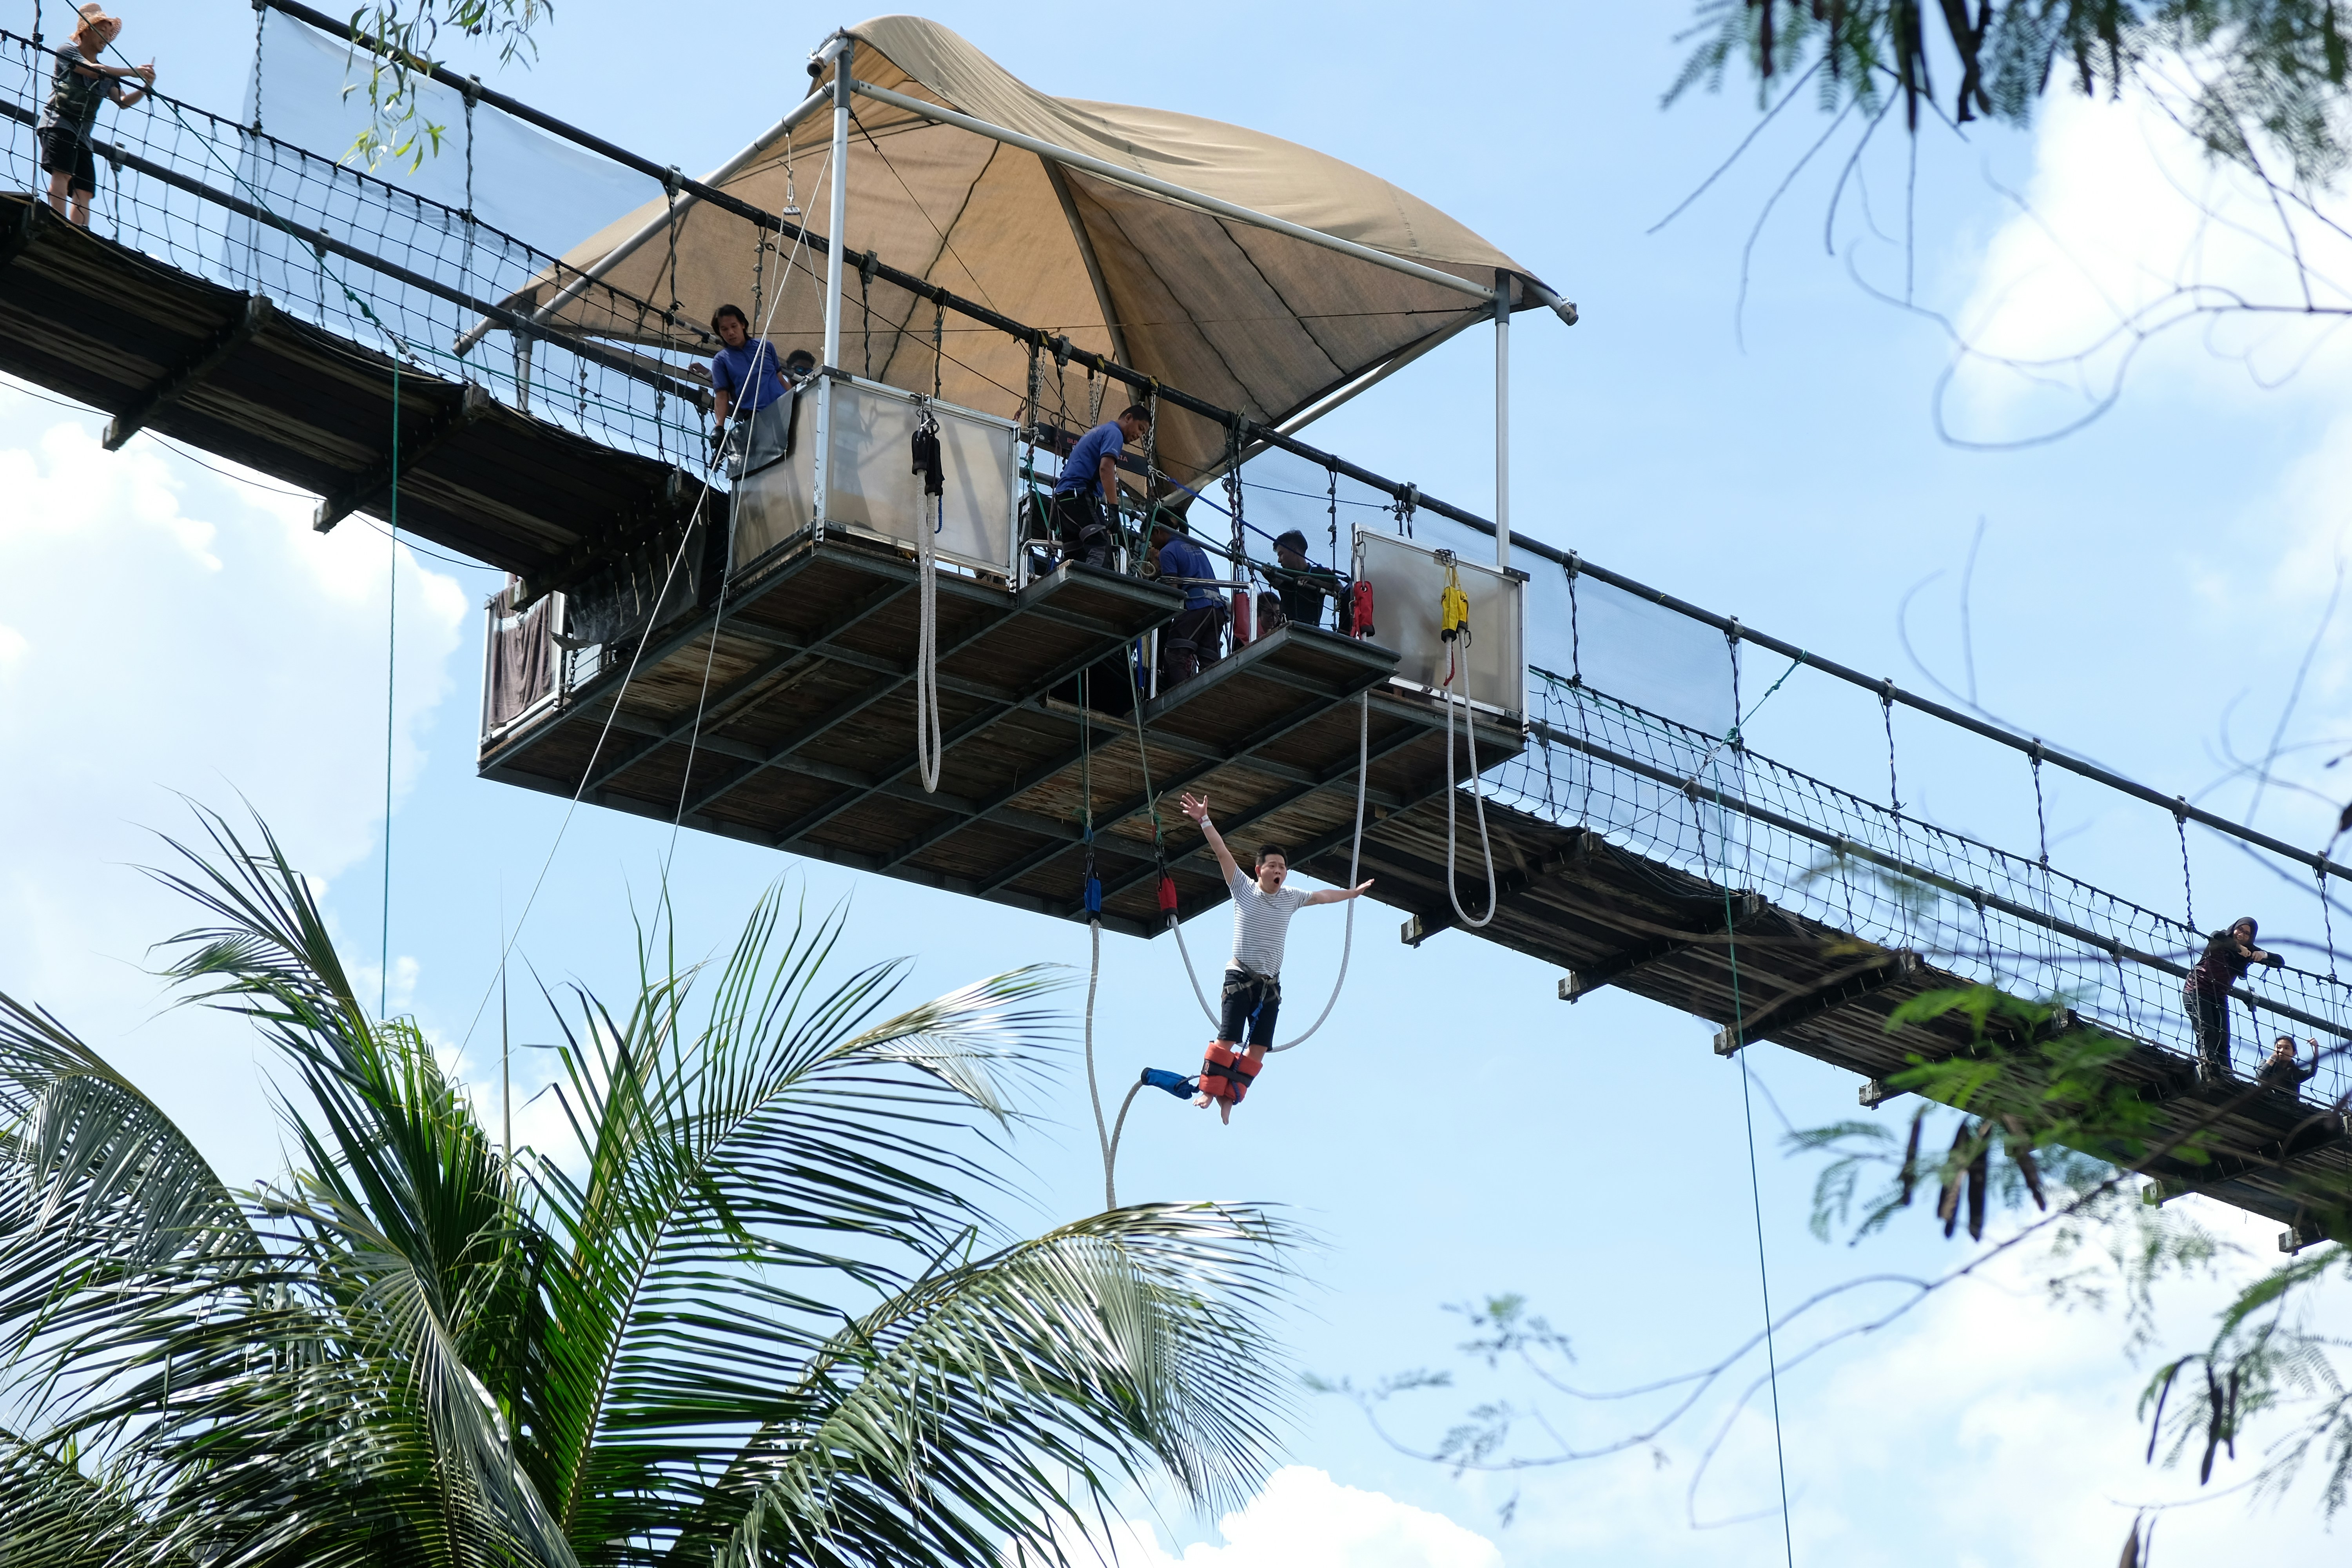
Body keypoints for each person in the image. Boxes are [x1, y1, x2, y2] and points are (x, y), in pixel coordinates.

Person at [1152, 790, 1371, 1124]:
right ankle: (1210, 1091)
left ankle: (1230, 1098)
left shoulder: (1291, 897)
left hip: (1270, 986)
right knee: (1228, 1039)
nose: (1279, 870)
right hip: (1241, 978)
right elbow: (1222, 853)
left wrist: (1351, 893)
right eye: (1273, 866)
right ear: (1259, 870)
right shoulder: (1243, 888)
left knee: (1258, 1049)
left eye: (1283, 867)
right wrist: (1204, 820)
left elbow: (1324, 896)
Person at [38, 6, 152, 230]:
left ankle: (80, 232)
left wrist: (146, 87)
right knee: (62, 174)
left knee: (85, 188)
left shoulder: (110, 75)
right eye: (102, 31)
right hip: (59, 122)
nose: (107, 39)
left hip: (83, 136)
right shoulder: (67, 50)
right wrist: (131, 72)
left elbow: (122, 102)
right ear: (87, 31)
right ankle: (58, 224)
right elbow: (91, 70)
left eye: (109, 35)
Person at [1050, 403, 1149, 568]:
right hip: (1080, 497)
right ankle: (1090, 591)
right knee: (1101, 549)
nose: (1139, 435)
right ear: (1129, 418)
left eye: (1143, 433)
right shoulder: (1114, 433)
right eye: (1140, 428)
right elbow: (1106, 469)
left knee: (1077, 555)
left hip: (1064, 500)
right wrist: (1113, 509)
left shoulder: (1098, 431)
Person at [2184, 916, 2281, 1082]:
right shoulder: (2222, 939)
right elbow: (2217, 935)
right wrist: (2237, 947)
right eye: (2240, 930)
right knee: (2207, 1031)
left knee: (2223, 1036)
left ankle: (2226, 1073)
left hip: (2219, 996)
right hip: (2198, 989)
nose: (2241, 935)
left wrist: (2262, 954)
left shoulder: (2249, 952)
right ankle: (2208, 1065)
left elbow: (2279, 961)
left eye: (2247, 934)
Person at [707, 305, 795, 457]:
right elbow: (722, 395)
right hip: (757, 420)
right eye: (724, 329)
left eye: (734, 326)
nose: (731, 333)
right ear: (720, 332)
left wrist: (799, 400)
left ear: (743, 324)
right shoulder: (721, 361)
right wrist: (719, 426)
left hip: (785, 409)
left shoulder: (766, 346)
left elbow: (780, 379)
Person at [1148, 515, 1222, 684]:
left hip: (1197, 607)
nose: (1151, 545)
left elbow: (1173, 591)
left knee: (1175, 656)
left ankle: (1178, 700)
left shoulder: (1167, 551)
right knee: (1209, 662)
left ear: (1158, 531)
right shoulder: (1195, 546)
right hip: (1217, 608)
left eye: (1151, 538)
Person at [1266, 529, 1341, 631]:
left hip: (1311, 634)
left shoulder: (1320, 573)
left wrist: (1316, 582)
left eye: (1281, 554)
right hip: (1286, 631)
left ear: (1294, 550)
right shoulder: (1283, 573)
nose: (1279, 560)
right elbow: (1276, 580)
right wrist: (1268, 573)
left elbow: (1341, 590)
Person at [2257, 1034, 2321, 1094]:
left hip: (2288, 1103)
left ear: (2294, 1053)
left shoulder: (2295, 1072)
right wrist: (2272, 1060)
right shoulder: (2265, 1062)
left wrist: (2316, 1049)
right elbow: (2260, 1077)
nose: (2282, 1051)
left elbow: (2311, 1072)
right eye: (2279, 1047)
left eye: (2287, 1048)